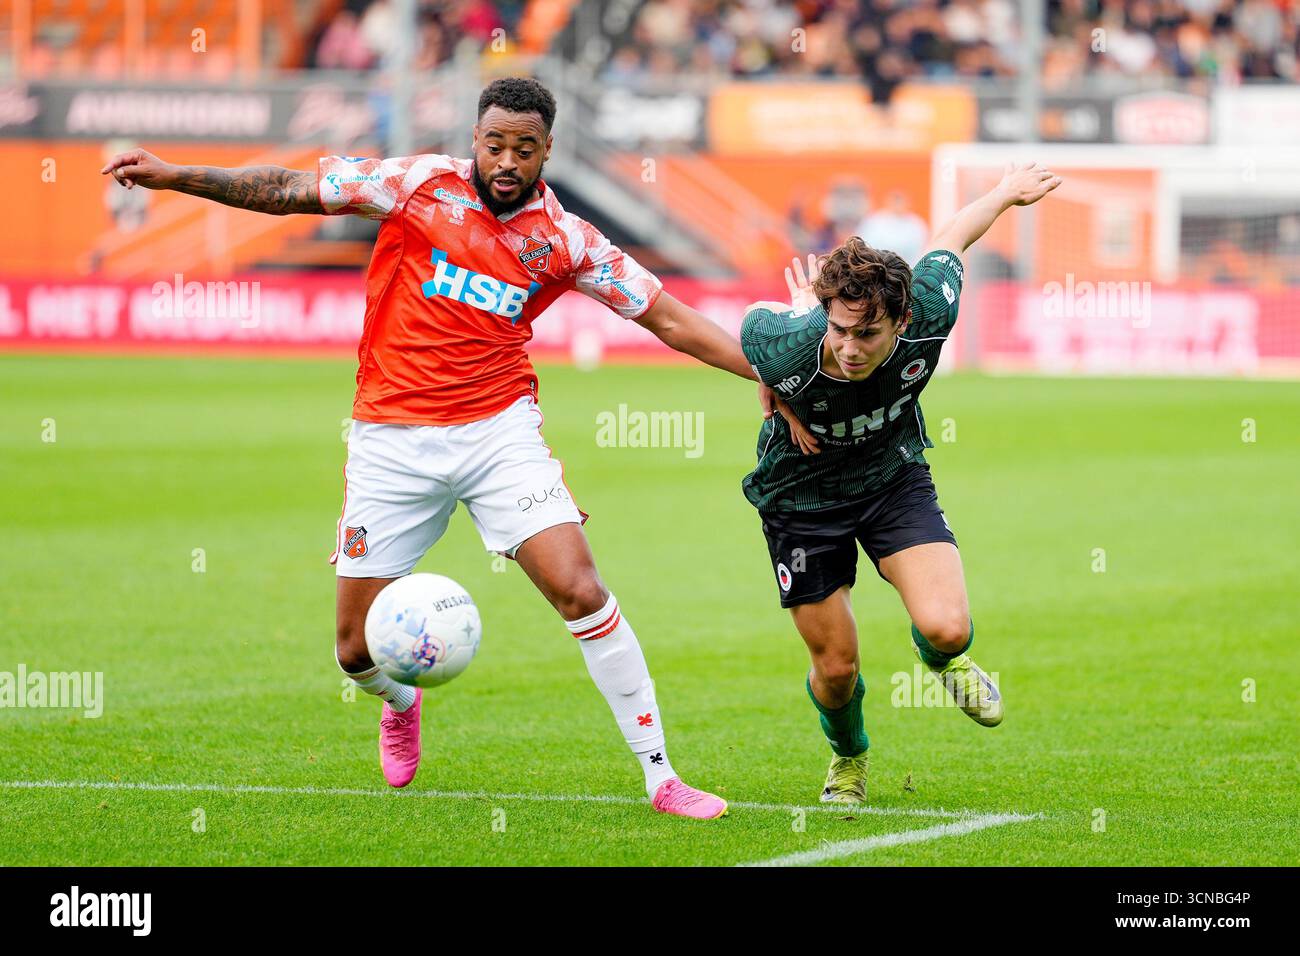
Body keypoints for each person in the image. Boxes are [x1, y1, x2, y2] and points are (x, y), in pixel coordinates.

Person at [101, 76, 809, 820]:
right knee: (353, 651)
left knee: (580, 588)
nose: (507, 160)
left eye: (525, 149)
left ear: (547, 152)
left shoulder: (566, 240)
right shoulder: (413, 185)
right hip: (390, 438)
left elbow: (666, 317)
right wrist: (175, 175)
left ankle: (661, 776)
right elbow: (287, 188)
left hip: (497, 433)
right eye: (495, 144)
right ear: (475, 138)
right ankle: (400, 701)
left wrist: (767, 374)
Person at [739, 162, 1061, 803]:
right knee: (836, 670)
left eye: (868, 333)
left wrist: (1001, 194)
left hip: (891, 479)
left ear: (902, 320)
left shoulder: (932, 312)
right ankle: (849, 757)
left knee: (949, 627)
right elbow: (751, 331)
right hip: (800, 502)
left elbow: (952, 237)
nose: (851, 348)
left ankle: (942, 662)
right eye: (838, 331)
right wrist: (775, 381)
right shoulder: (793, 341)